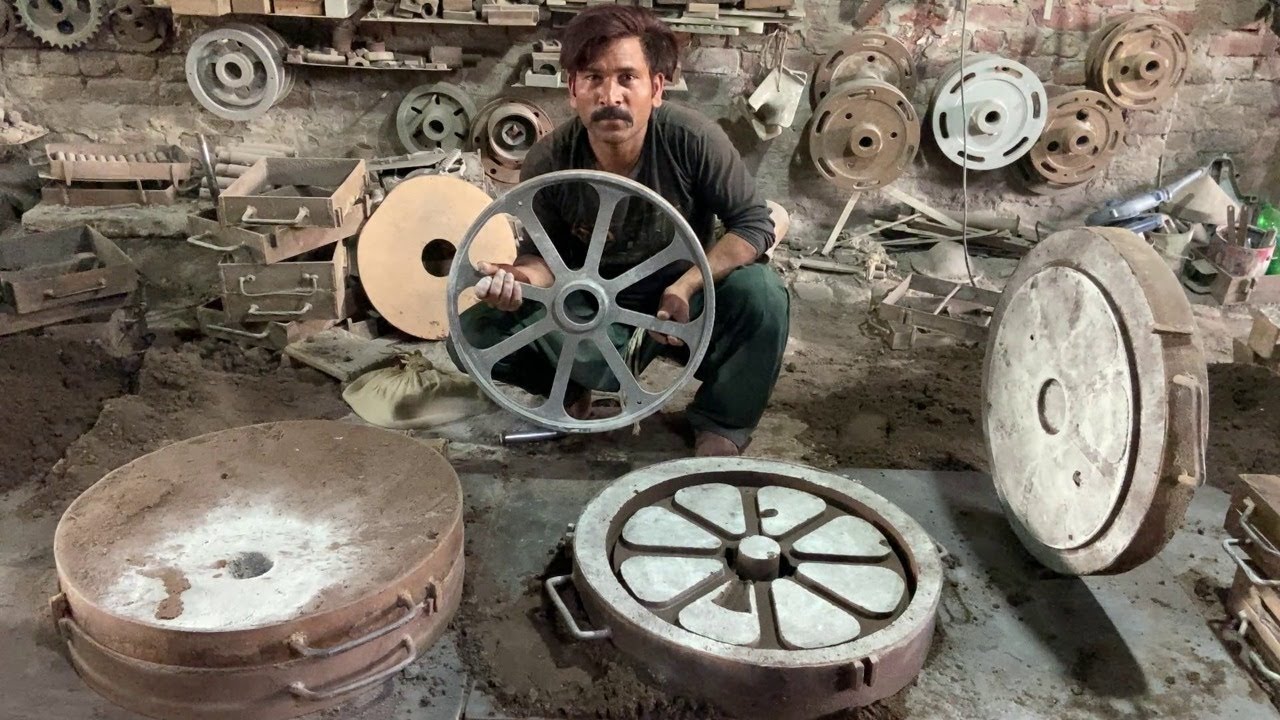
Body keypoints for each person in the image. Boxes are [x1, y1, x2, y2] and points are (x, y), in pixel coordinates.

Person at [452, 4, 790, 457]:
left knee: (762, 293)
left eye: (627, 78)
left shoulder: (692, 139)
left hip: (683, 301)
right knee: (472, 333)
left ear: (656, 87)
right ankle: (571, 391)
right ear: (572, 90)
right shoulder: (549, 160)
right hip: (587, 303)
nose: (610, 94)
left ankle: (722, 423)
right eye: (593, 78)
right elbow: (542, 259)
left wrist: (689, 284)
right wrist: (518, 282)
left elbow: (753, 224)